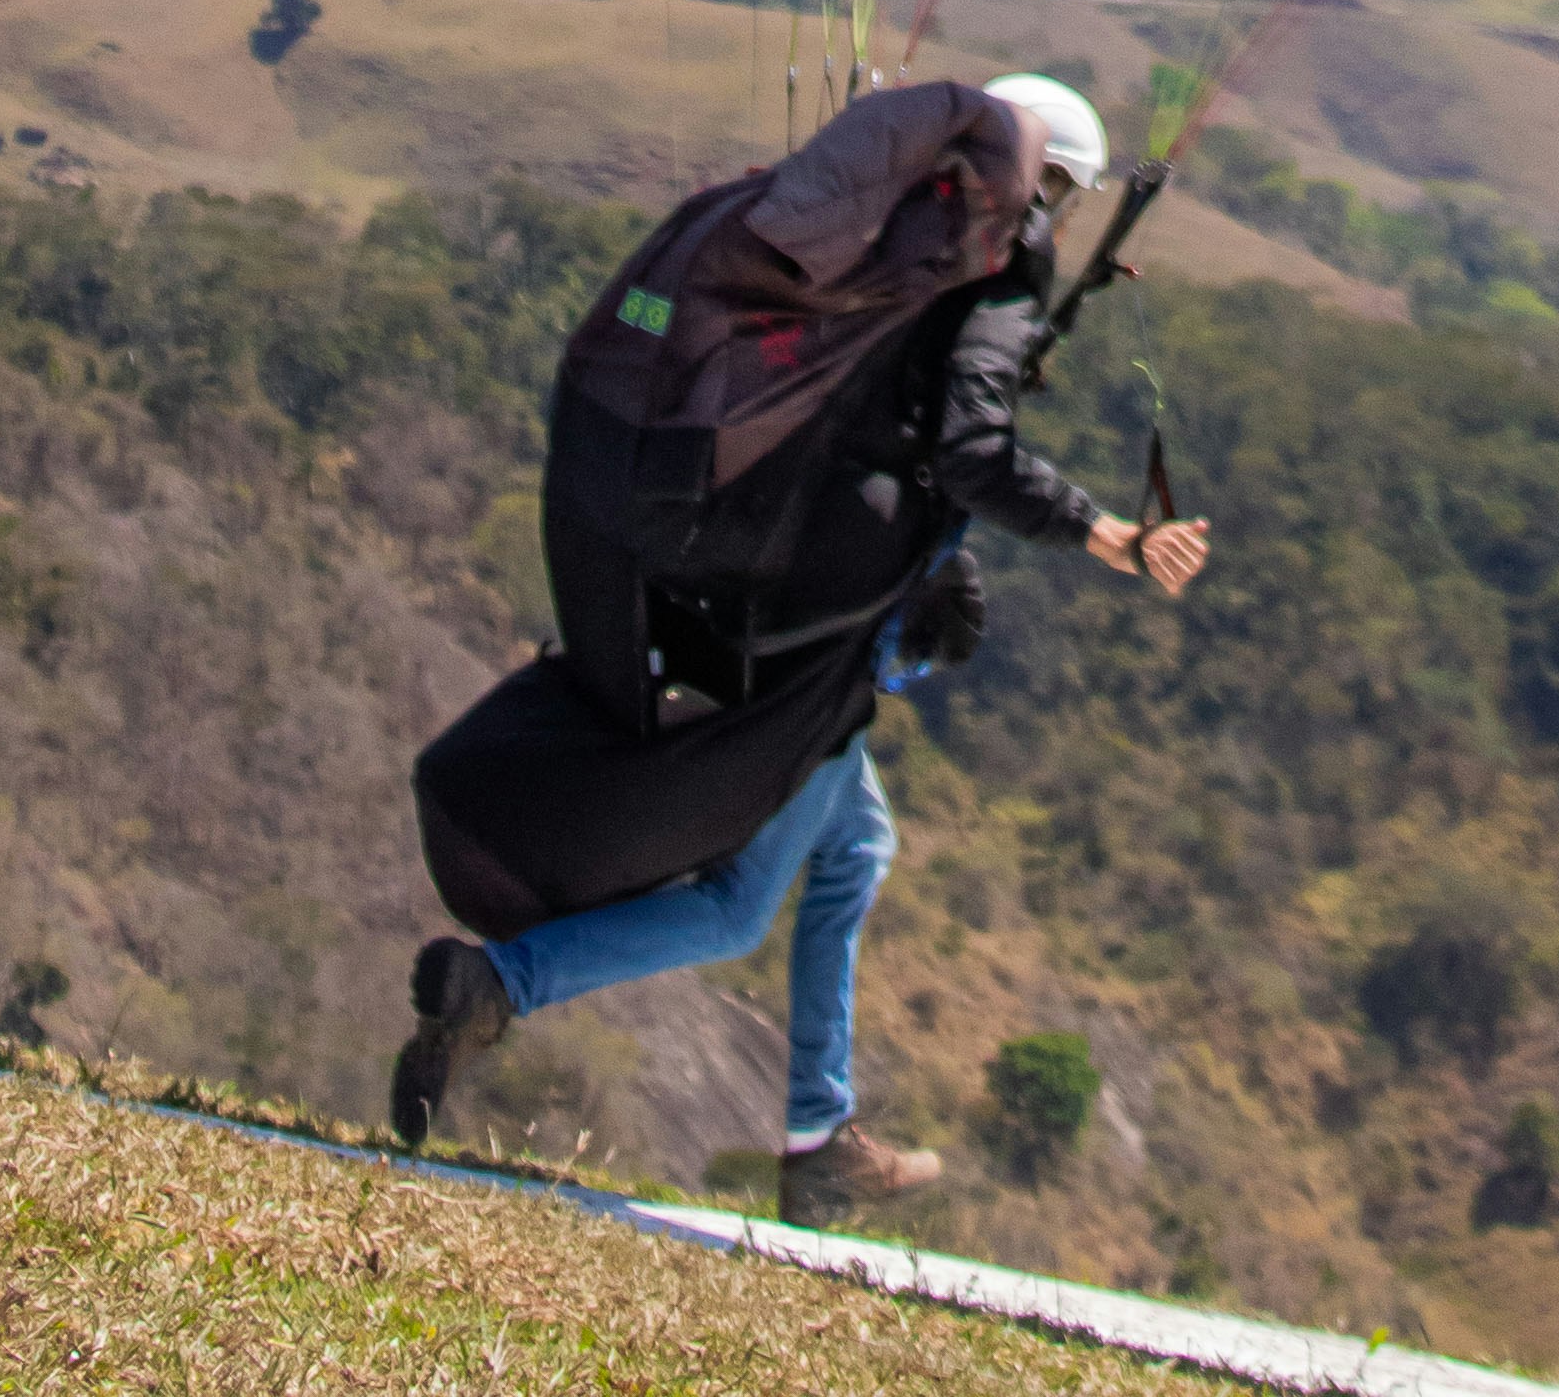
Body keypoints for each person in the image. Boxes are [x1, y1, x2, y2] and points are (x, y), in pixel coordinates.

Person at [395, 71, 1211, 1225]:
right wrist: (1106, 533)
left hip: (754, 572)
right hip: (815, 629)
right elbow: (969, 449)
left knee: (855, 846)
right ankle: (509, 990)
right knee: (741, 903)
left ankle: (818, 1130)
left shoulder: (887, 244)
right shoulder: (991, 278)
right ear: (1055, 192)